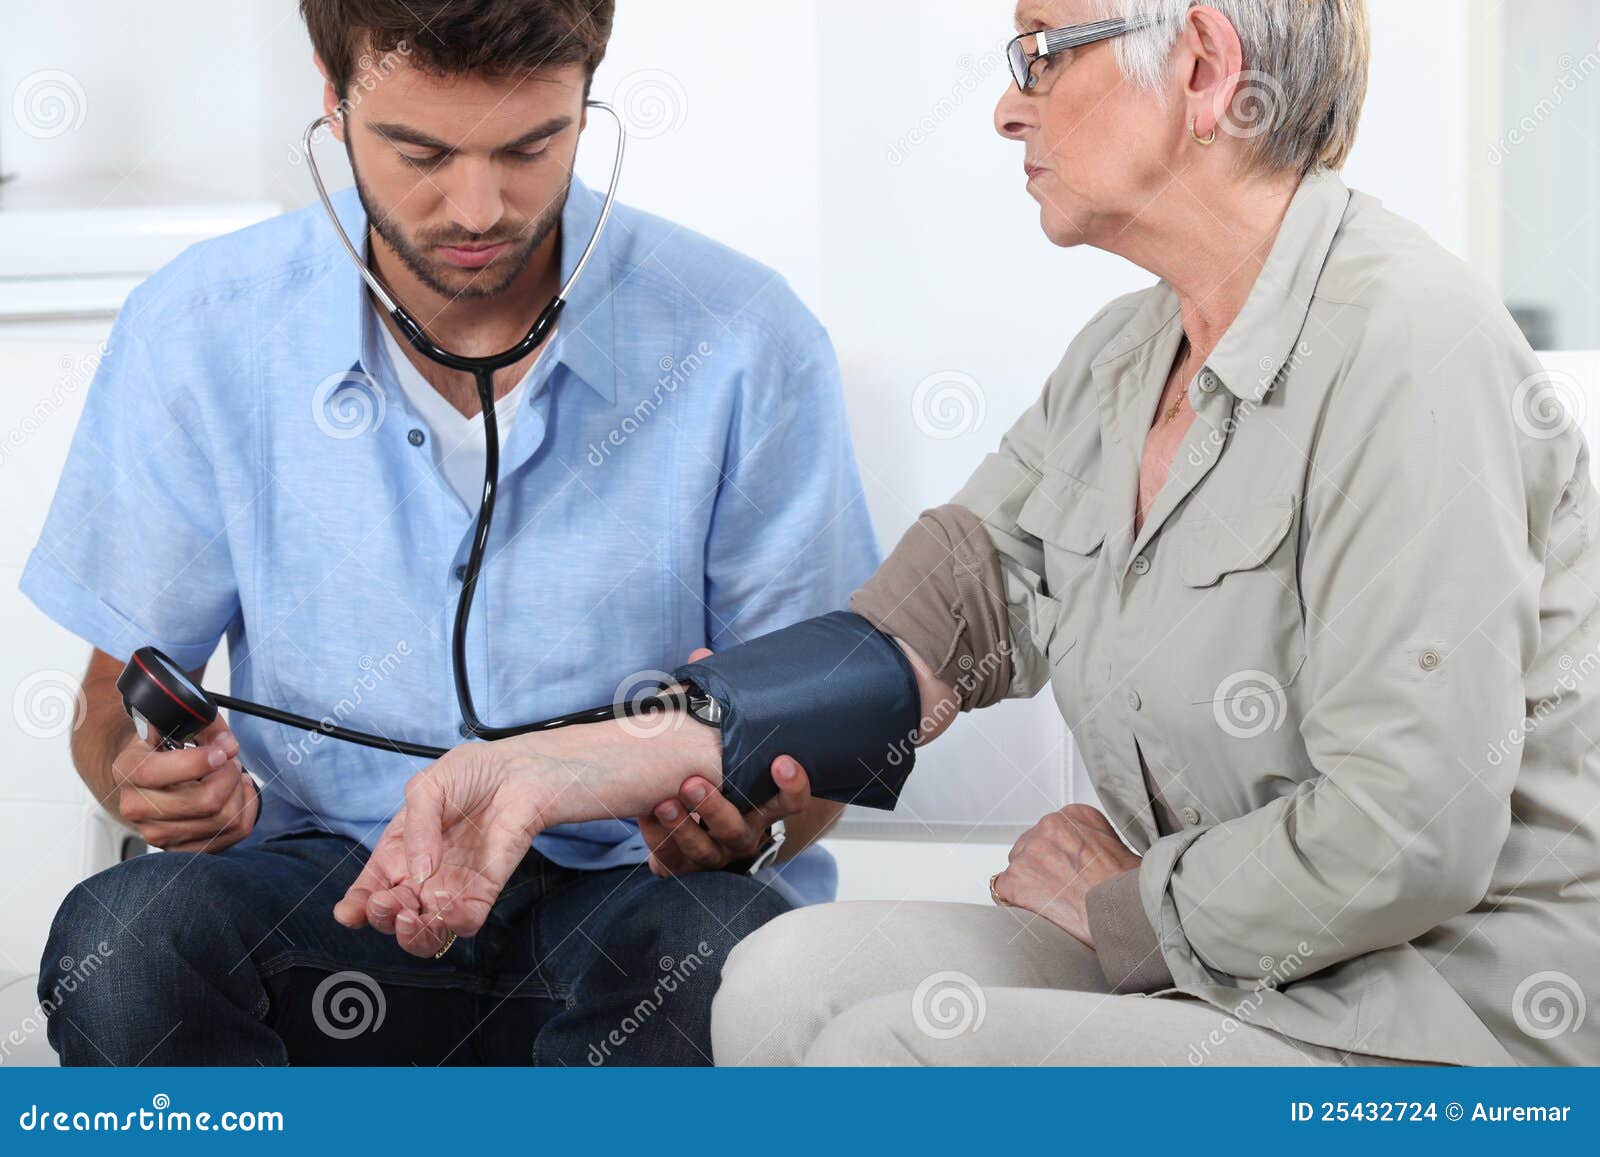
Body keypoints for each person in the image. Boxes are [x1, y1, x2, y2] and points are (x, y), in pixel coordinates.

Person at [341, 0, 1600, 1067]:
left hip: (1429, 1016)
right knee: (782, 982)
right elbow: (932, 624)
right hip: (1214, 962)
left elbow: (1409, 836)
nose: (1010, 106)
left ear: (1205, 71)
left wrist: (1129, 909)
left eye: (1044, 50)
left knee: (892, 1056)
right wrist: (546, 769)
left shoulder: (1408, 346)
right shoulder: (1125, 356)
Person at [24, 0, 877, 1066]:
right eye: (418, 150)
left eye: (530, 146)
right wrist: (147, 780)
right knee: (125, 939)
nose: (477, 209)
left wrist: (757, 821)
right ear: (332, 106)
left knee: (727, 956)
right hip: (324, 897)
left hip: (627, 902)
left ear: (586, 96)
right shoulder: (200, 325)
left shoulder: (745, 337)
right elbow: (113, 706)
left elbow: (825, 749)